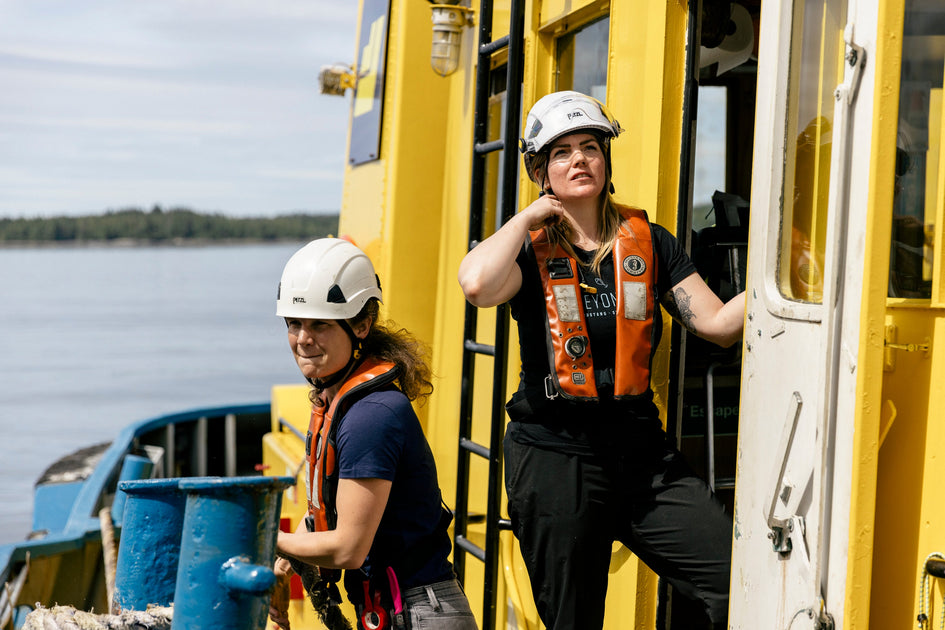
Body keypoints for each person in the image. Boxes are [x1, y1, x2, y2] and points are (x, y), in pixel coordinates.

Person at [458, 91, 745, 629]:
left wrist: (788, 281)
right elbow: (476, 284)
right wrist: (528, 217)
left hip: (642, 457)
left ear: (606, 160)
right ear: (540, 170)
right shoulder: (527, 249)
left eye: (590, 146)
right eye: (561, 152)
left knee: (733, 580)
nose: (580, 159)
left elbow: (718, 325)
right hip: (553, 458)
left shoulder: (652, 243)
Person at [270, 238, 478, 630]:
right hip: (398, 611)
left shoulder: (372, 416)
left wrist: (268, 540)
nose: (302, 338)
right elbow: (325, 509)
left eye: (320, 324)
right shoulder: (339, 403)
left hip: (419, 615)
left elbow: (349, 547)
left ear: (362, 324)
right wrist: (287, 560)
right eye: (294, 323)